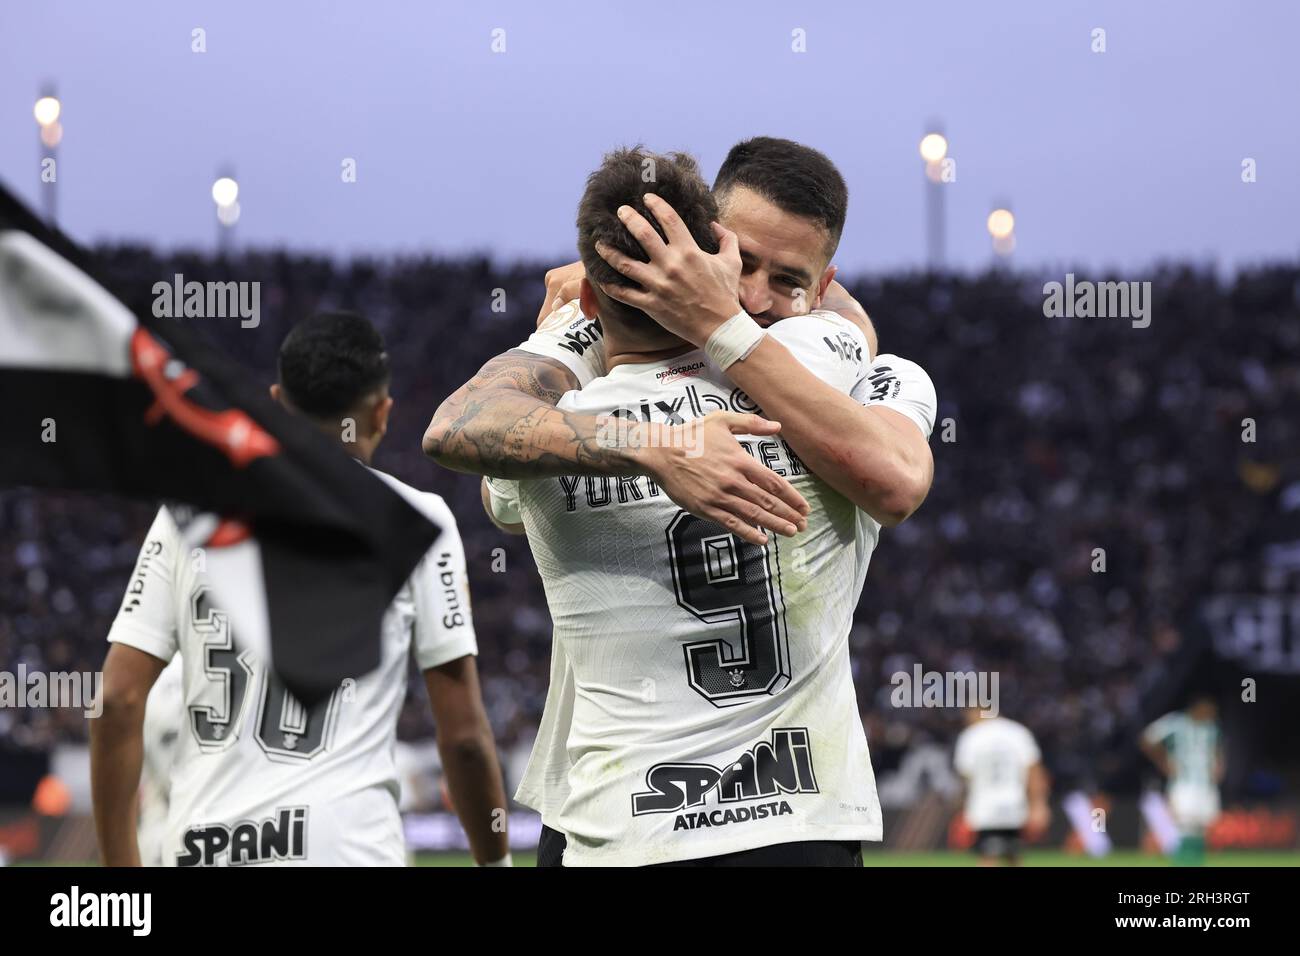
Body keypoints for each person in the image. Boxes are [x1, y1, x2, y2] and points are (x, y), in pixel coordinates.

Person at [428, 137, 937, 865]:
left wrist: (575, 329)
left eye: (788, 281)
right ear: (706, 249)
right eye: (745, 265)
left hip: (615, 830)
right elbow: (856, 344)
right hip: (796, 823)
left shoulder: (573, 409)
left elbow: (478, 449)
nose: (756, 298)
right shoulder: (840, 369)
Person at [91, 311, 510, 866]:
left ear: (274, 400)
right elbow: (461, 737)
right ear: (382, 413)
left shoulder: (191, 510)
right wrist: (496, 861)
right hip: (346, 850)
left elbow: (117, 701)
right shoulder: (416, 519)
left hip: (204, 850)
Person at [952, 707, 1049, 865]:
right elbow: (1034, 770)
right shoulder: (1018, 732)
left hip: (984, 807)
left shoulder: (970, 736)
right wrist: (1038, 805)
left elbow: (965, 776)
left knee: (988, 855)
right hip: (1014, 805)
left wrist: (961, 808)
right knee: (1013, 855)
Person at [1141, 695, 1223, 866]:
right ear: (1196, 708)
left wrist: (1219, 766)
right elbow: (1147, 738)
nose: (1210, 714)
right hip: (1184, 782)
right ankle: (1182, 860)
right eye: (1207, 710)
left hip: (1206, 784)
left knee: (1201, 823)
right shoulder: (1175, 722)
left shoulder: (1211, 727)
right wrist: (1164, 762)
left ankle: (1196, 861)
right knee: (1184, 821)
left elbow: (1217, 749)